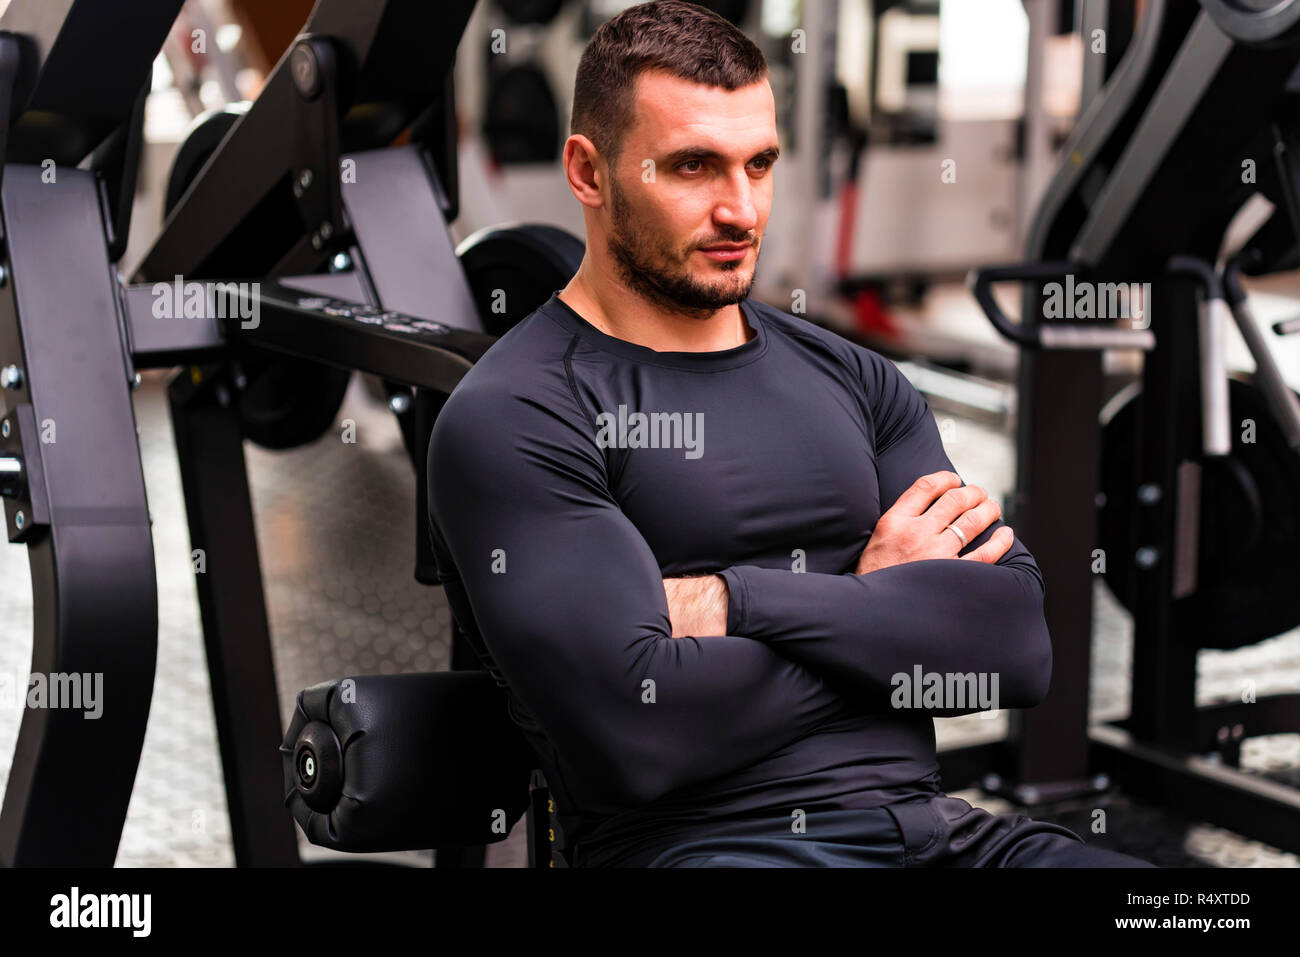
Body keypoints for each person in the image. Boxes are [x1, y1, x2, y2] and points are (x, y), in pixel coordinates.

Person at [428, 0, 1151, 868]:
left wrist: (739, 602)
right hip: (713, 851)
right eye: (695, 166)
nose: (741, 209)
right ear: (589, 171)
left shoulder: (855, 376)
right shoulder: (519, 413)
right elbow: (640, 730)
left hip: (944, 839)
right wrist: (879, 603)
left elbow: (1014, 646)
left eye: (760, 163)